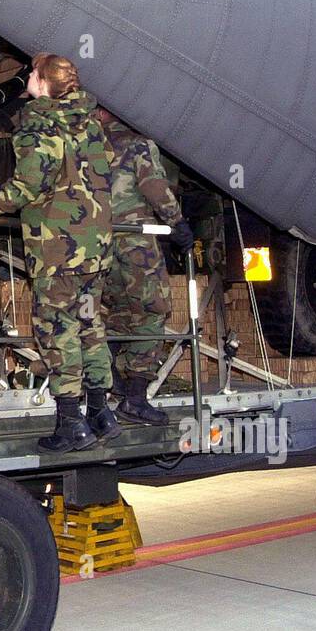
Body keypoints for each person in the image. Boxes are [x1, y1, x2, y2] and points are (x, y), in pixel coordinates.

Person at [0, 53, 115, 453]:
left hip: (58, 250)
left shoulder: (38, 126)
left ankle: (71, 424)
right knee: (89, 326)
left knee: (58, 332)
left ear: (40, 81)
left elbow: (29, 183)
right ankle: (101, 413)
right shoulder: (90, 124)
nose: (28, 78)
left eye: (33, 74)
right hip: (95, 248)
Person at [97, 107, 194, 427]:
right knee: (153, 310)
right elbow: (154, 186)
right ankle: (135, 399)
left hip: (98, 243)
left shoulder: (84, 144)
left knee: (116, 312)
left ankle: (111, 378)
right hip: (135, 241)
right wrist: (177, 223)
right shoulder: (136, 143)